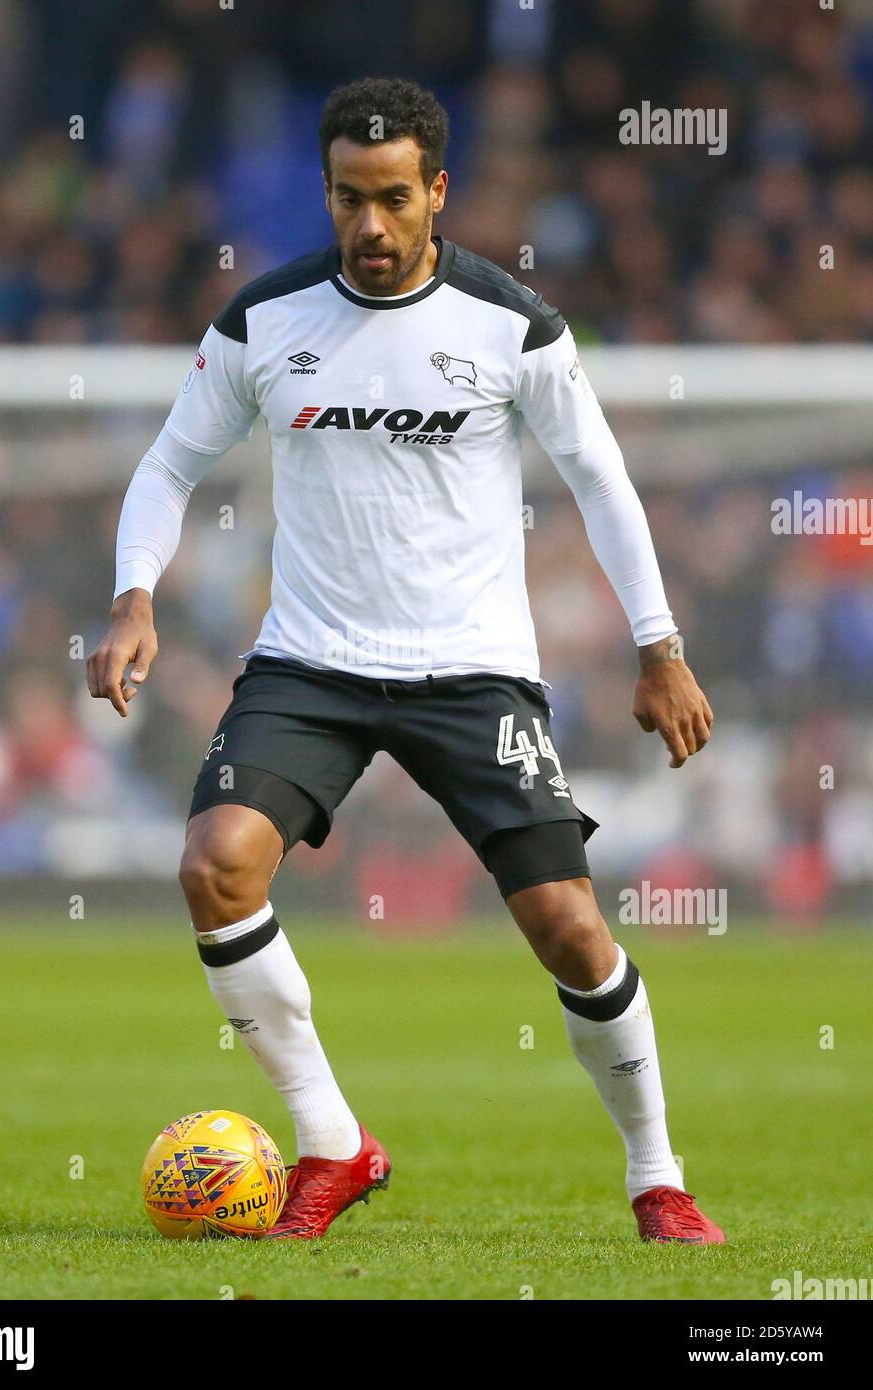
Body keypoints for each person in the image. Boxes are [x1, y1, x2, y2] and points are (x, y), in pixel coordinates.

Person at [87, 76, 724, 1244]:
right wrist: (135, 599)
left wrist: (659, 647)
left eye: (391, 199)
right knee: (216, 866)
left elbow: (602, 478)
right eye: (346, 200)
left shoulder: (510, 322)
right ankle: (333, 1143)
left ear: (439, 190)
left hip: (473, 668)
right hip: (312, 662)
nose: (369, 228)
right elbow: (170, 465)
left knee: (571, 931)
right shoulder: (265, 320)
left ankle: (658, 1178)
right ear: (326, 195)